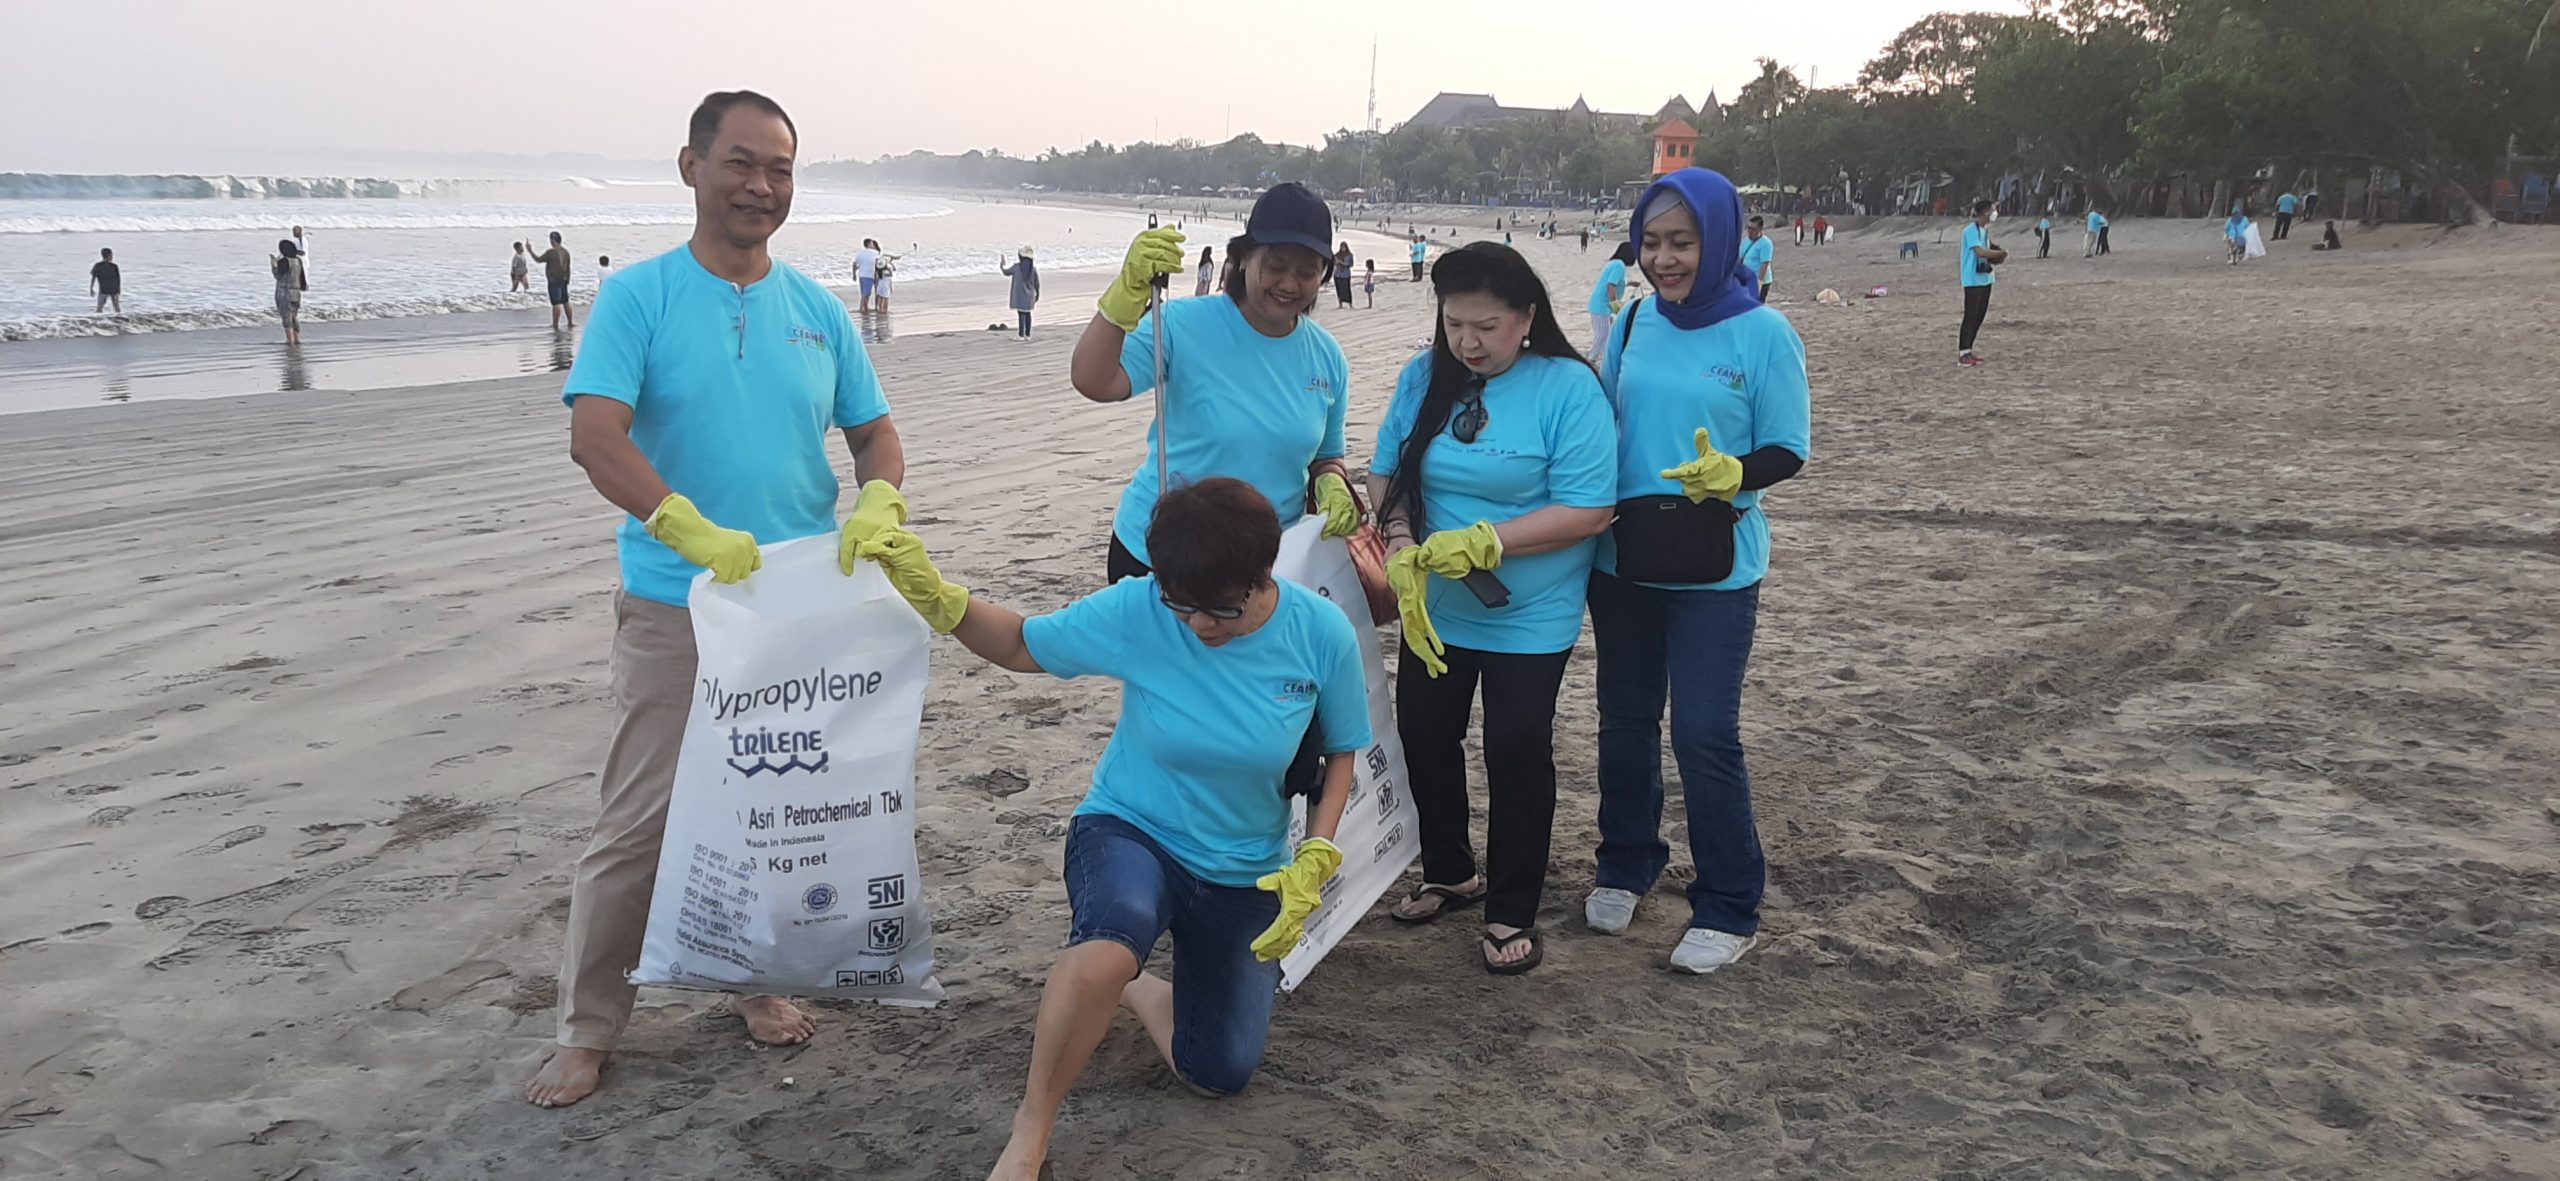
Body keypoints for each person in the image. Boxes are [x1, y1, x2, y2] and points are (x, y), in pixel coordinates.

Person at [523, 89, 908, 1111]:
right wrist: (680, 524)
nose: (760, 186)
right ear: (690, 166)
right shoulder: (640, 298)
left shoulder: (818, 311)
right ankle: (588, 1026)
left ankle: (751, 982)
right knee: (639, 821)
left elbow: (873, 431)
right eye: (740, 162)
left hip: (796, 612)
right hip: (676, 604)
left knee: (769, 809)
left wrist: (877, 498)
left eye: (779, 169)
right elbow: (595, 435)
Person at [848, 478, 1368, 1181]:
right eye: (1182, 605)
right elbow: (1023, 643)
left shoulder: (1321, 632)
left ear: (1263, 575)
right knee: (1108, 939)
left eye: (1222, 608)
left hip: (1248, 864)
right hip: (1133, 827)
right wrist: (941, 598)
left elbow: (1342, 750)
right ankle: (1031, 1129)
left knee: (1218, 1071)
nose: (1200, 625)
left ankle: (1131, 986)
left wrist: (1317, 849)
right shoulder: (1142, 608)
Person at [1584, 166, 1810, 975]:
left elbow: (1790, 447)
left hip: (1717, 565)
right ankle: (1628, 859)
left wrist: (1735, 476)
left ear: (1719, 240)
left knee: (1705, 731)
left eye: (1682, 242)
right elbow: (1597, 419)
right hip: (1624, 557)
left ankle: (1728, 901)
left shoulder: (1764, 332)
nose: (1664, 259)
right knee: (1625, 717)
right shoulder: (1636, 322)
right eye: (1651, 242)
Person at [1370, 244, 1616, 974]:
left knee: (1514, 747)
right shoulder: (1425, 376)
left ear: (1527, 318)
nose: (1468, 343)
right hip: (1436, 602)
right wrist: (1404, 537)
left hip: (1530, 611)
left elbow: (1591, 509)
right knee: (1424, 731)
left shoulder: (1568, 388)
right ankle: (1451, 869)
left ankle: (1512, 906)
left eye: (1486, 327)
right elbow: (1389, 471)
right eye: (1454, 326)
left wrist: (1489, 540)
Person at [1070, 181, 1360, 583]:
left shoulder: (1327, 356)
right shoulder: (1180, 324)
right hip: (1162, 553)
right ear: (1243, 259)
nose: (1290, 284)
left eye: (1307, 271)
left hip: (1266, 566)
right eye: (1276, 266)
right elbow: (1094, 380)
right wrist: (1123, 297)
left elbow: (1327, 455)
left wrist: (1331, 479)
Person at [1958, 199, 2001, 365]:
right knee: (1970, 315)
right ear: (1984, 212)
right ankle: (1963, 353)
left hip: (1985, 278)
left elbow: (1988, 248)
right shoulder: (1970, 231)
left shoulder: (1984, 231)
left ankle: (1969, 349)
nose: (1994, 213)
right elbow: (1980, 251)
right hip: (1972, 279)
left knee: (1979, 316)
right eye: (1992, 210)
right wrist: (1998, 254)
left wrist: (1998, 252)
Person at [1586, 242, 1635, 353]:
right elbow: (1611, 285)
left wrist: (1630, 283)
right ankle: (1592, 357)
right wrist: (1615, 304)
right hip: (1601, 305)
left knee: (1608, 333)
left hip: (1602, 304)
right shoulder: (1619, 265)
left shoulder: (1615, 263)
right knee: (1603, 334)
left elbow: (1616, 283)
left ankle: (1603, 356)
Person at [532, 231, 575, 329]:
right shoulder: (565, 252)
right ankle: (570, 322)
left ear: (553, 240)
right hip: (564, 279)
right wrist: (568, 278)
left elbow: (538, 260)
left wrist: (530, 250)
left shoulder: (551, 252)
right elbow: (568, 267)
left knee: (556, 303)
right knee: (566, 301)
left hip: (554, 280)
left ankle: (555, 324)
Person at [271, 239, 305, 345]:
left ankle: (289, 340)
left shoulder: (284, 261)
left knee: (286, 317)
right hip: (296, 292)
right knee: (294, 317)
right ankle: (297, 339)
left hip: (284, 292)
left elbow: (278, 275)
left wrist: (273, 264)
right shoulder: (298, 261)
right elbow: (302, 277)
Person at [1003, 245, 1041, 339]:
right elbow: (1037, 284)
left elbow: (1006, 272)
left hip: (1019, 296)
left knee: (1021, 315)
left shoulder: (1017, 267)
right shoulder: (1033, 270)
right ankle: (1028, 335)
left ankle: (1021, 335)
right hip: (1030, 296)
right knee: (1028, 314)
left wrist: (1002, 265)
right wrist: (1037, 295)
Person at [1739, 215, 1774, 303]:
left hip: (1759, 281)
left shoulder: (1766, 244)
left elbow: (1764, 264)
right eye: (1749, 228)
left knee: (1756, 305)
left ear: (1760, 229)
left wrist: (1759, 282)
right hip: (1746, 279)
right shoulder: (1745, 241)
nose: (1750, 231)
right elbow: (1740, 259)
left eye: (1753, 229)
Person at [853, 238, 883, 311]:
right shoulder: (875, 253)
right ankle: (862, 308)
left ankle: (865, 307)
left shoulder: (859, 253)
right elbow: (880, 263)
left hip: (862, 275)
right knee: (869, 293)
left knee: (864, 293)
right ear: (869, 244)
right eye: (872, 243)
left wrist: (854, 274)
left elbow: (855, 264)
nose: (873, 245)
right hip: (872, 274)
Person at [89, 248, 122, 314]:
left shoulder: (98, 265)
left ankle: (97, 322)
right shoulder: (114, 266)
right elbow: (118, 279)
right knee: (117, 308)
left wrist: (91, 288)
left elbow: (93, 277)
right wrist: (118, 290)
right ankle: (120, 321)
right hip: (114, 289)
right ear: (109, 255)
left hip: (103, 289)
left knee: (99, 308)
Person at [1333, 242, 1356, 308]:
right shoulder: (1337, 255)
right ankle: (1340, 303)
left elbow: (1350, 264)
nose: (1343, 248)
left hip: (1345, 274)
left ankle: (1350, 303)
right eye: (1342, 247)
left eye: (1344, 247)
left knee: (1347, 289)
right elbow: (1334, 263)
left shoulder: (1349, 255)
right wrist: (1336, 262)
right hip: (1337, 274)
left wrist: (1341, 262)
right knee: (1339, 289)